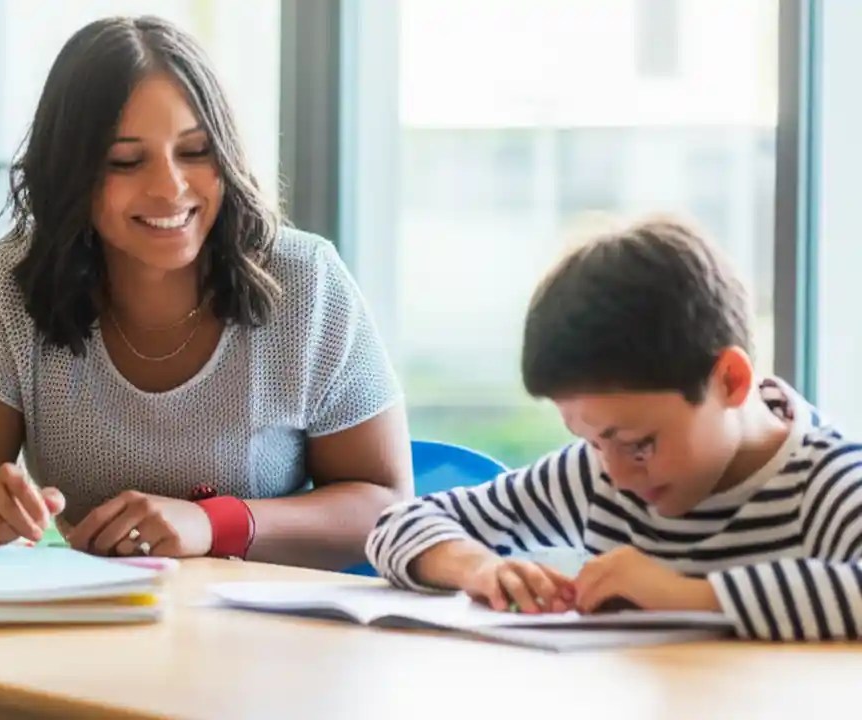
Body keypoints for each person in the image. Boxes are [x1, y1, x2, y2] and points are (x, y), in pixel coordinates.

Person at [0, 16, 411, 570]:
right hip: (92, 628)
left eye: (195, 152)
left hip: (261, 634)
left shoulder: (305, 280)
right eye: (126, 161)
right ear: (70, 172)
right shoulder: (17, 280)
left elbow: (384, 503)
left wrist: (213, 522)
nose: (170, 187)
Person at [366, 216, 862, 641]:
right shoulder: (599, 470)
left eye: (640, 446)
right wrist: (480, 567)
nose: (619, 474)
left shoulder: (825, 482)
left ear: (729, 381)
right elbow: (398, 525)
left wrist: (686, 596)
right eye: (592, 441)